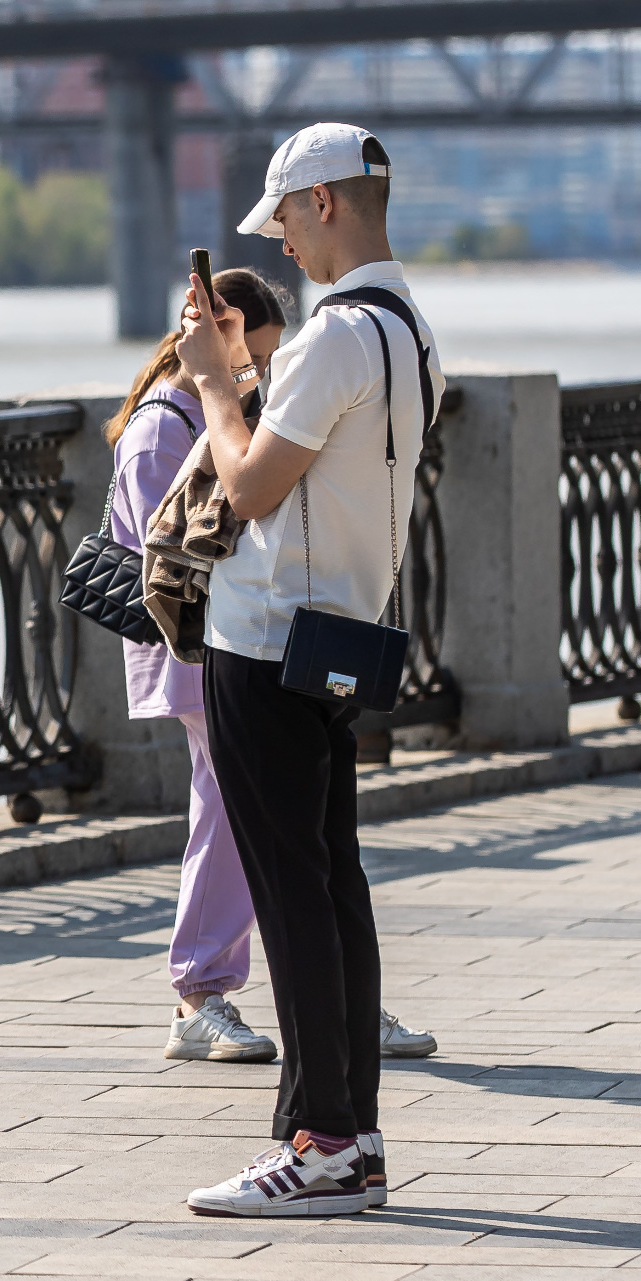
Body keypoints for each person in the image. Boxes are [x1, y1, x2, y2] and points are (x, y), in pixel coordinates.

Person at [175, 125, 444, 1219]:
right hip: (340, 637)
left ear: (325, 203)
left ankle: (322, 1139)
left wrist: (208, 382)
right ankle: (352, 1134)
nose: (280, 241)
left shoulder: (335, 335)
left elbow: (243, 488)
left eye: (283, 217)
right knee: (334, 887)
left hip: (265, 642)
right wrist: (246, 372)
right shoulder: (411, 328)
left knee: (294, 897)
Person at [109, 268, 287, 1068]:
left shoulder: (197, 413)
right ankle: (199, 992)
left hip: (229, 639)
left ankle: (306, 983)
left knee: (252, 809)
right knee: (229, 811)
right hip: (192, 645)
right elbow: (171, 551)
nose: (265, 373)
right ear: (219, 338)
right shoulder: (162, 427)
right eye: (258, 354)